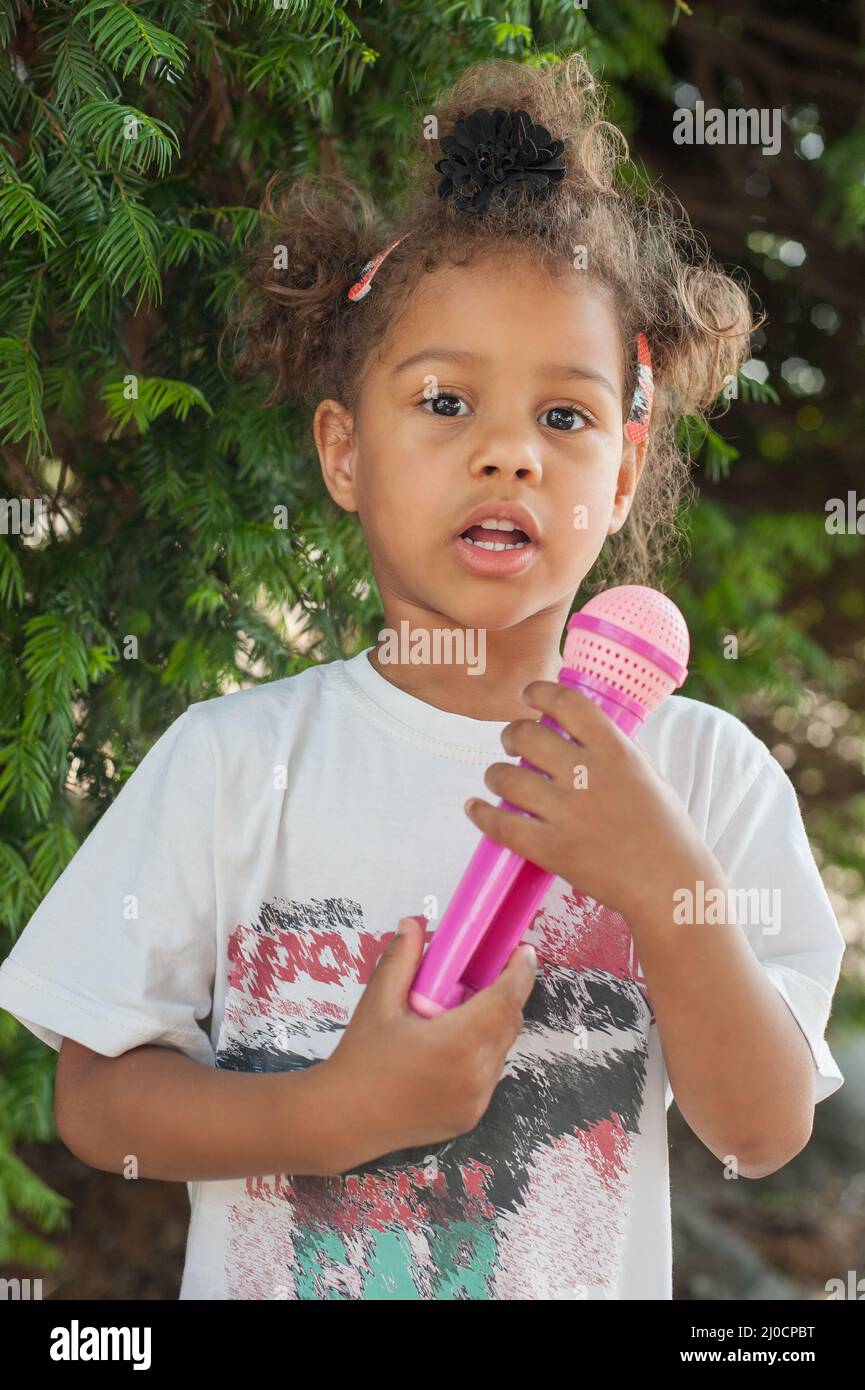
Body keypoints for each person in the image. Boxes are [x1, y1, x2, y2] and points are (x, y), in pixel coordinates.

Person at [0, 53, 846, 1300]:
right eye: (446, 401)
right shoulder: (234, 764)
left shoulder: (701, 775)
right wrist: (335, 1111)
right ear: (344, 450)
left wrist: (665, 886)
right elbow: (98, 1104)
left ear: (622, 470)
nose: (509, 453)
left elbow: (761, 1130)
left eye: (564, 418)